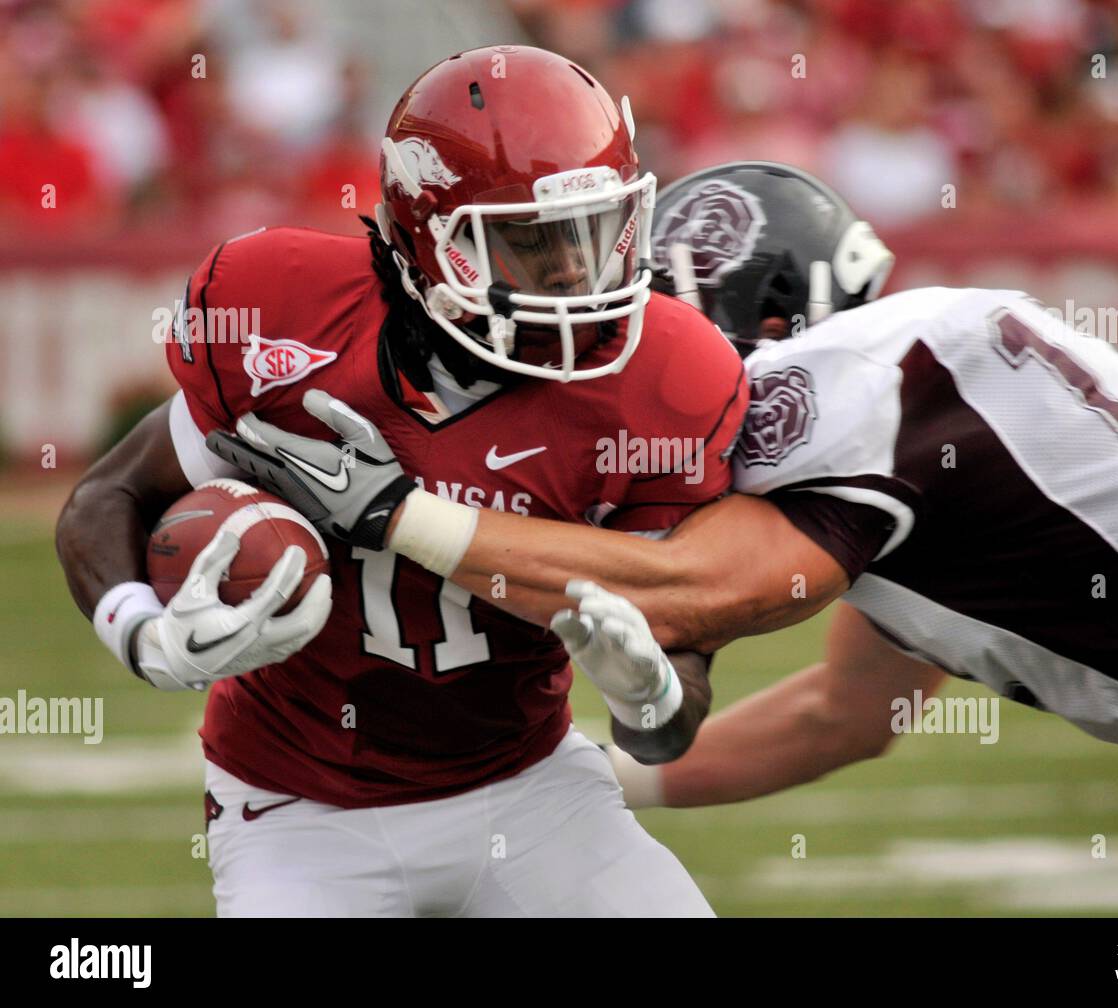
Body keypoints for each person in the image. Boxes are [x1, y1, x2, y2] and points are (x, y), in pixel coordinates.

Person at [211, 160, 1118, 917]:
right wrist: (544, 789)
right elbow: (841, 716)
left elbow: (686, 590)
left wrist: (405, 512)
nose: (611, 381)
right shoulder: (923, 479)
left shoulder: (861, 390)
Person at [55, 46, 751, 917]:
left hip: (530, 787)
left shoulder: (665, 378)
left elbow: (670, 724)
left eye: (597, 231)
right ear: (434, 241)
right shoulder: (290, 319)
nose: (578, 272)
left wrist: (649, 691)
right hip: (298, 809)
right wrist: (144, 637)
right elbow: (109, 498)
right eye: (535, 244)